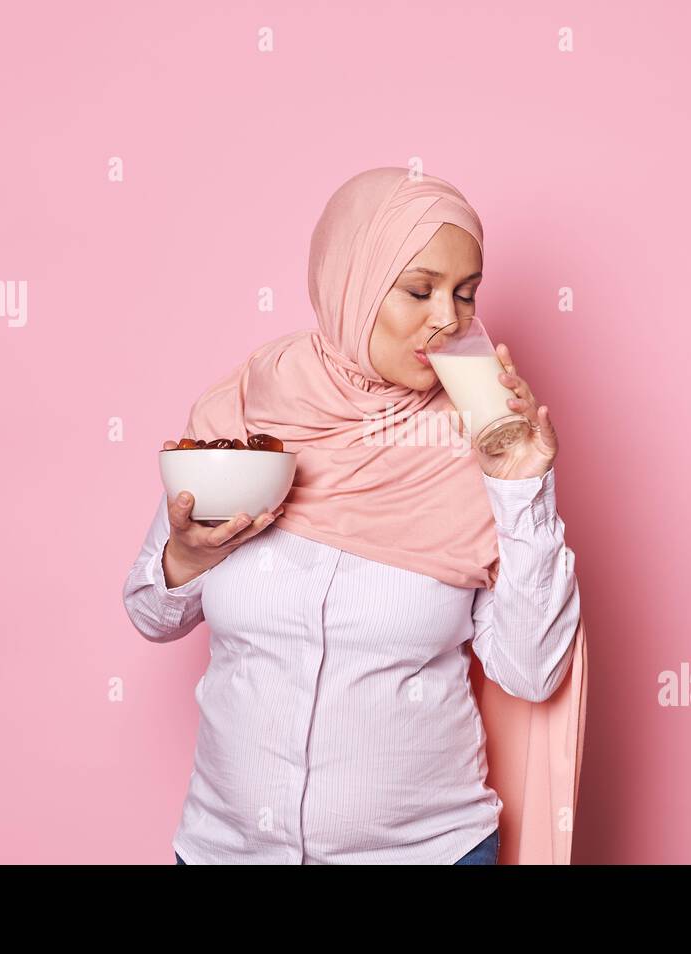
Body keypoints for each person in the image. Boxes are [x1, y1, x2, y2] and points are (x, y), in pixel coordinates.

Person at [123, 167, 589, 864]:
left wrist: (523, 490)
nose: (449, 319)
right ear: (352, 282)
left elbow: (532, 673)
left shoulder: (477, 443)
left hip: (431, 853)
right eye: (419, 290)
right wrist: (186, 557)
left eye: (466, 294)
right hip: (228, 851)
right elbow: (150, 614)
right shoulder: (246, 420)